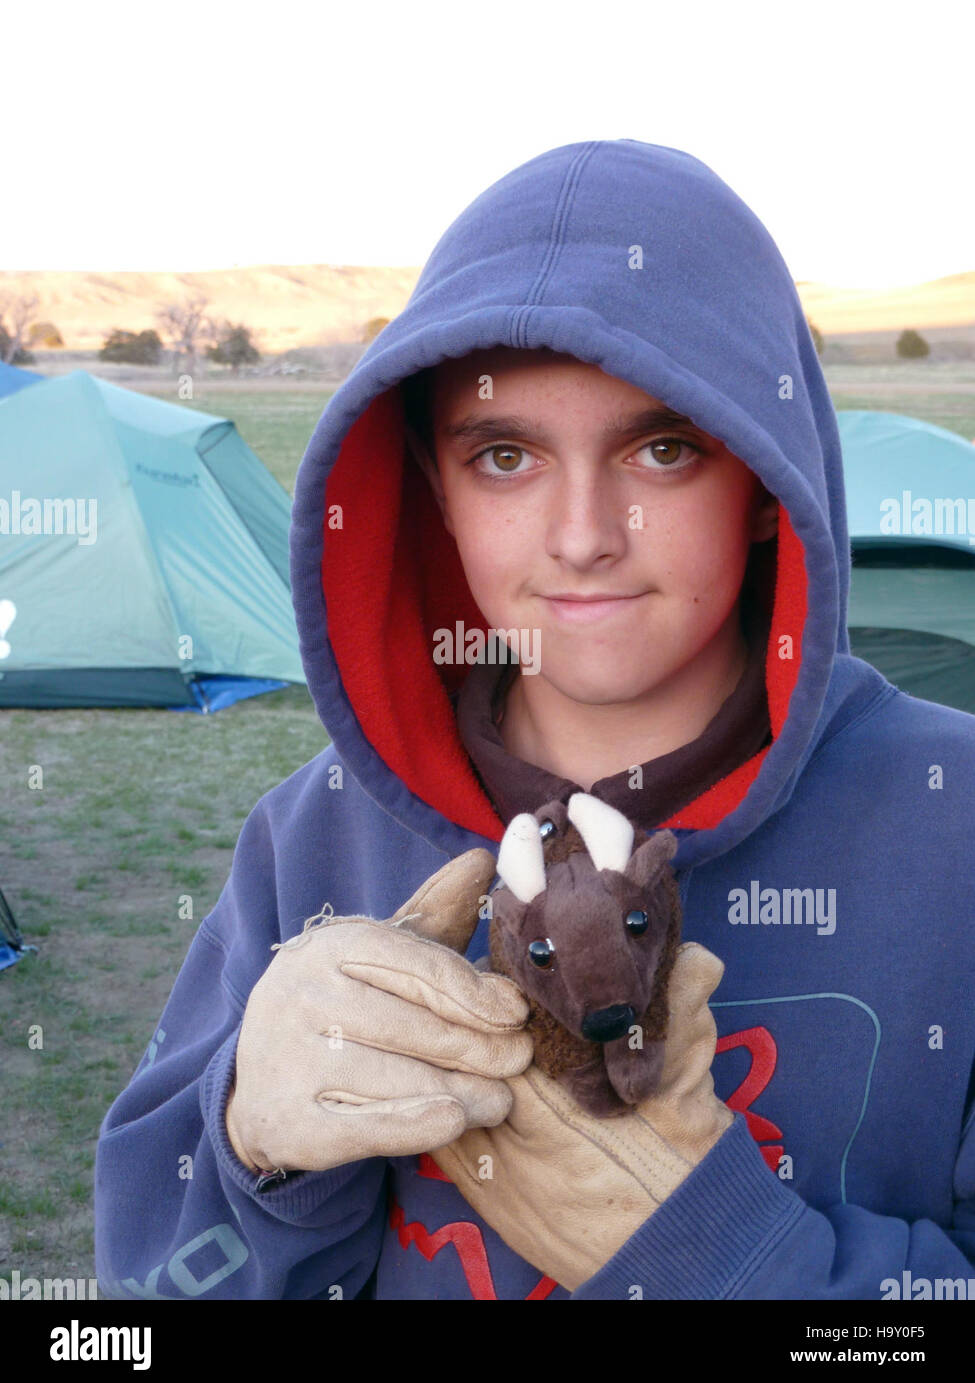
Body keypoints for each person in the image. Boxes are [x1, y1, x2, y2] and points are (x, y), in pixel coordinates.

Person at [94, 139, 975, 1300]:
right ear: (433, 489)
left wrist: (735, 1262)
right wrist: (254, 1154)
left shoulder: (949, 824)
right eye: (505, 456)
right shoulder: (309, 841)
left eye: (664, 450)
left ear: (767, 480)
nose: (581, 534)